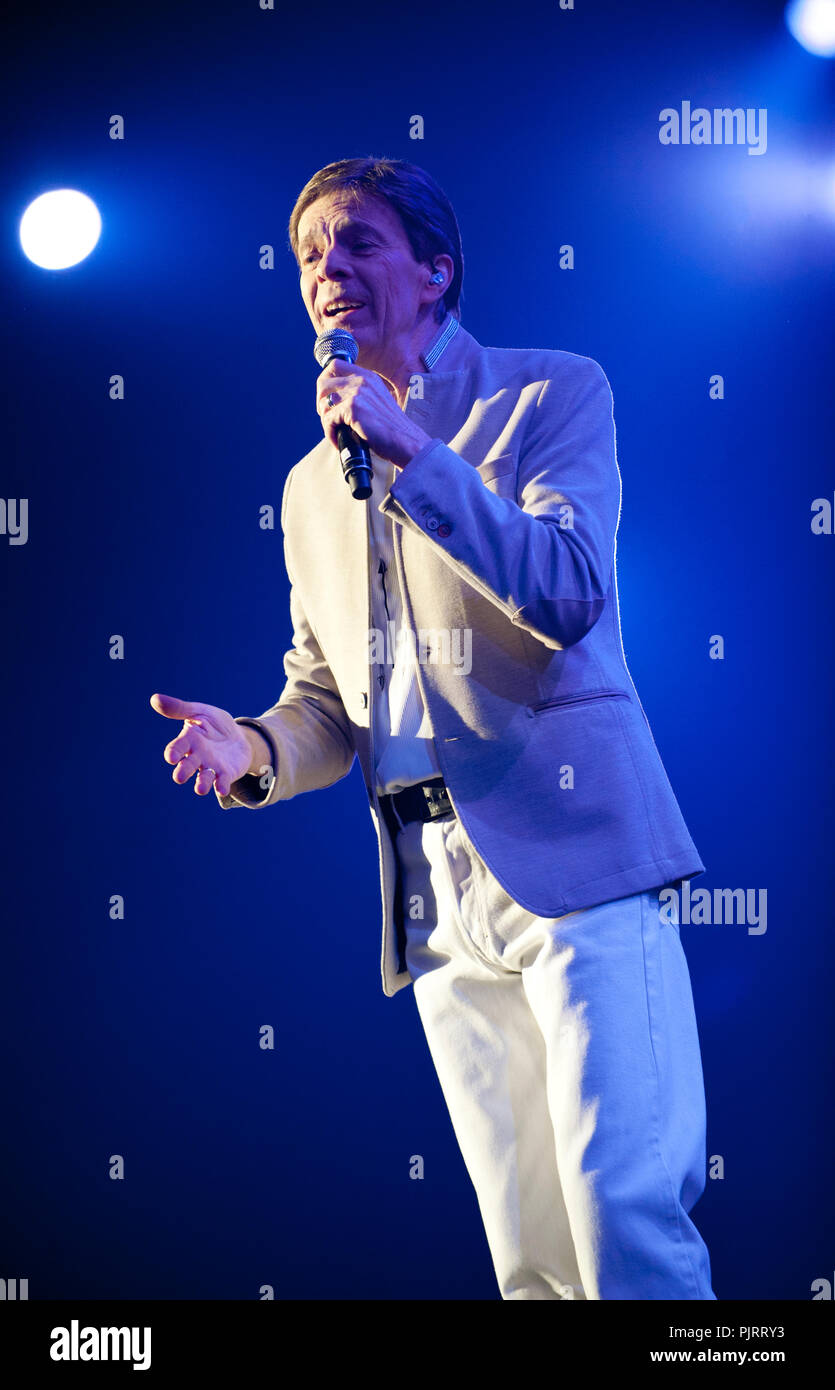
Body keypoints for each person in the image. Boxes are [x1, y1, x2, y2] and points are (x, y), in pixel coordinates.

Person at [150, 156, 715, 1301]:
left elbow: (564, 589)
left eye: (356, 242)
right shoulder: (309, 486)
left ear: (435, 270)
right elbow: (325, 698)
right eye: (308, 254)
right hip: (431, 893)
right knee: (531, 1259)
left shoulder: (548, 394)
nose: (327, 271)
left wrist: (414, 452)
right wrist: (253, 749)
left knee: (624, 1221)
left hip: (577, 853)